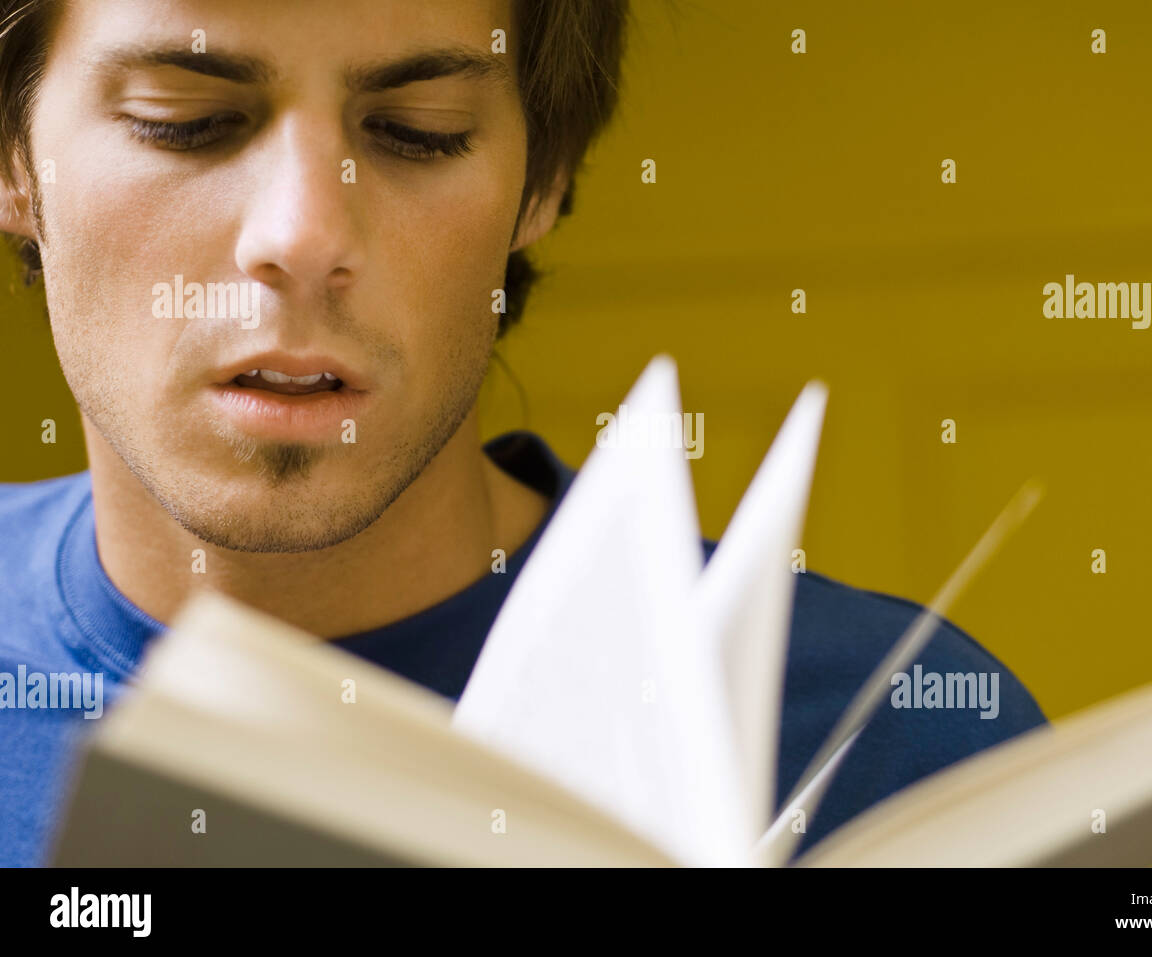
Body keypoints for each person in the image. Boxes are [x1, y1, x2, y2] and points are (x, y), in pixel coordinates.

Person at [0, 0, 1046, 867]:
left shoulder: (903, 737)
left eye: (420, 130)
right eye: (183, 119)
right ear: (15, 163)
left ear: (541, 182)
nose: (302, 235)